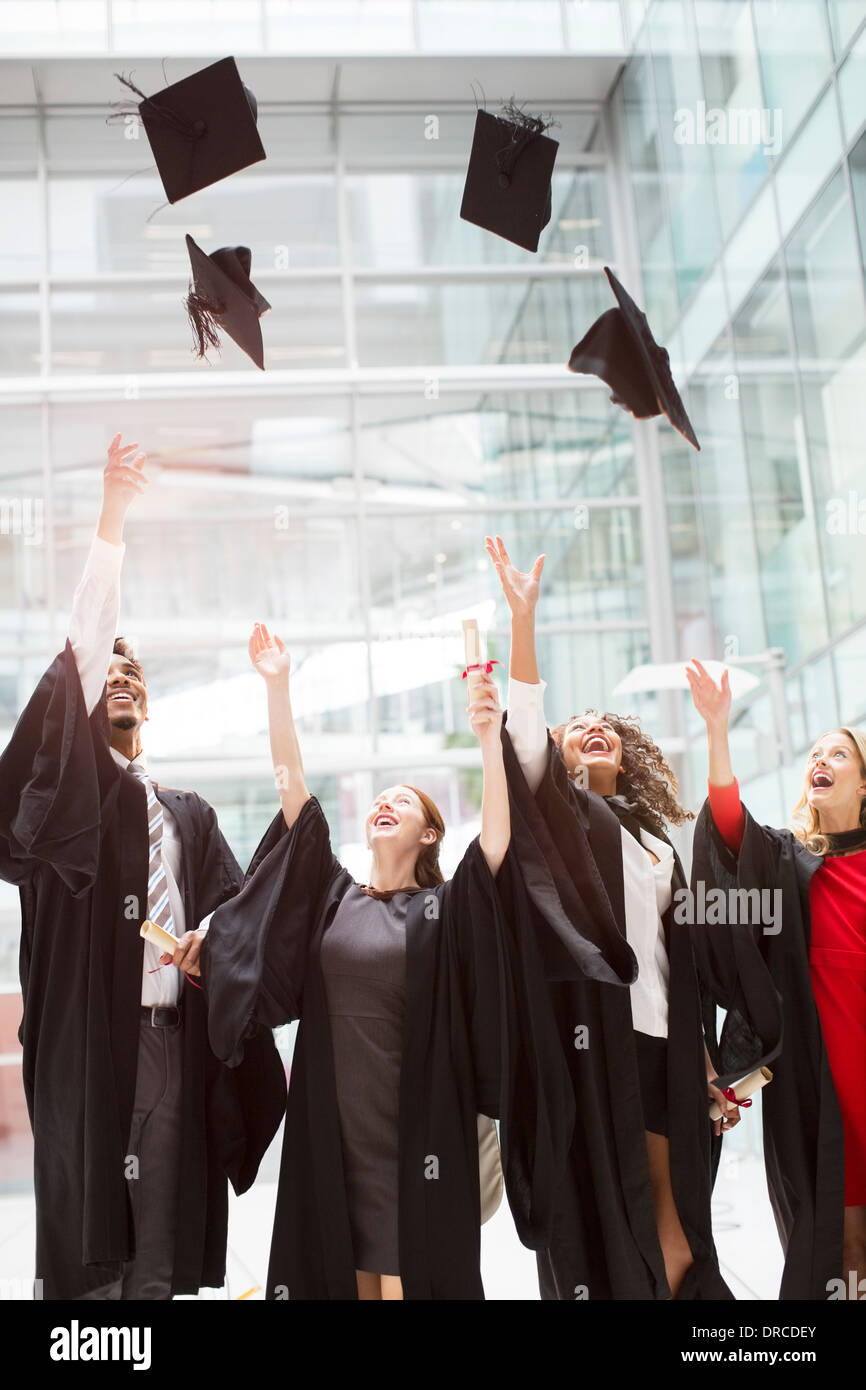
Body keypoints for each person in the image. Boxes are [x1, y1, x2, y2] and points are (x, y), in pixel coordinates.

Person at [202, 618, 606, 1301]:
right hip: (333, 1123)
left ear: (428, 833)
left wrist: (488, 739)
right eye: (382, 798)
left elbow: (499, 849)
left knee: (411, 1275)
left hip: (418, 1126)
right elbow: (292, 792)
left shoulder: (444, 911)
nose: (387, 801)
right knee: (342, 1271)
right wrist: (277, 687)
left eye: (405, 800)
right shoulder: (334, 897)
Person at [0, 435, 285, 1299]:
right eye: (107, 676)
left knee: (158, 1255)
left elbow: (247, 912)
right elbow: (81, 656)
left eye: (133, 675)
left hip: (173, 1046)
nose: (118, 680)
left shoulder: (187, 816)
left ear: (149, 702)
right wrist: (112, 519)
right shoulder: (68, 810)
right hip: (91, 1046)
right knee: (90, 1264)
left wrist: (211, 938)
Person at [486, 535, 767, 1300]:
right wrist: (522, 620)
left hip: (664, 1044)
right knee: (607, 1216)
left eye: (605, 726)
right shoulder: (562, 820)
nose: (592, 728)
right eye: (576, 726)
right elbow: (521, 738)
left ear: (627, 754)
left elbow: (686, 961)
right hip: (588, 1040)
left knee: (678, 1220)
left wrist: (711, 1063)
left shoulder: (654, 844)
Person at [687, 657, 866, 1300]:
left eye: (838, 754)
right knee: (841, 1244)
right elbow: (732, 834)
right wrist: (717, 730)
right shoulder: (794, 861)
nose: (821, 760)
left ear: (863, 783)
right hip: (822, 1091)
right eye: (814, 754)